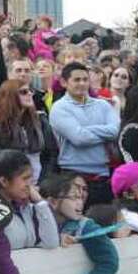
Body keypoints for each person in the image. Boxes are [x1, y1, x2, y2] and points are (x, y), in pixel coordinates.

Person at [49, 62, 120, 206]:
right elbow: (79, 138)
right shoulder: (59, 108)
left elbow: (115, 131)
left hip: (103, 176)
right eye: (77, 80)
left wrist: (85, 129)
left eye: (85, 79)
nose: (82, 83)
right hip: (73, 176)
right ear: (64, 82)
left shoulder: (103, 105)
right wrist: (103, 131)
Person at [0, 80, 52, 182]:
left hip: (39, 182)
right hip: (8, 183)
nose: (30, 94)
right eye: (24, 92)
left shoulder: (39, 120)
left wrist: (43, 182)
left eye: (30, 90)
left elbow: (51, 154)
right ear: (10, 96)